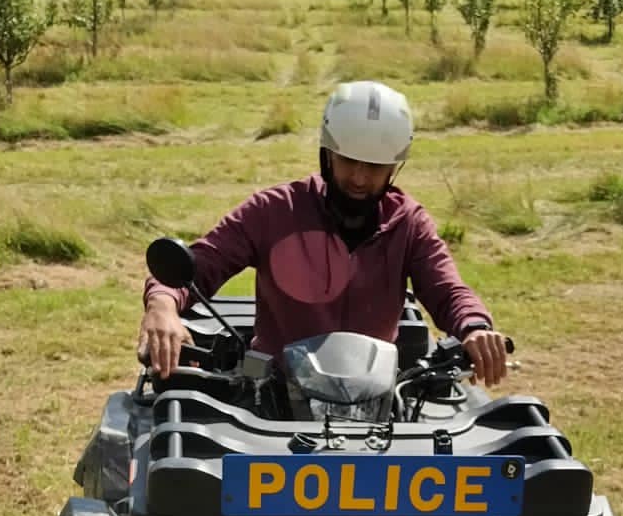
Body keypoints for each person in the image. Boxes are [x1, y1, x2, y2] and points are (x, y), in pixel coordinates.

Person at [138, 80, 510, 387]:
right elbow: (200, 266)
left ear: (395, 167)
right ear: (327, 154)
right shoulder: (274, 210)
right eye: (349, 161)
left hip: (376, 396)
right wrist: (162, 306)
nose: (360, 178)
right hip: (273, 390)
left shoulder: (408, 223)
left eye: (375, 167)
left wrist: (475, 327)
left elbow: (447, 290)